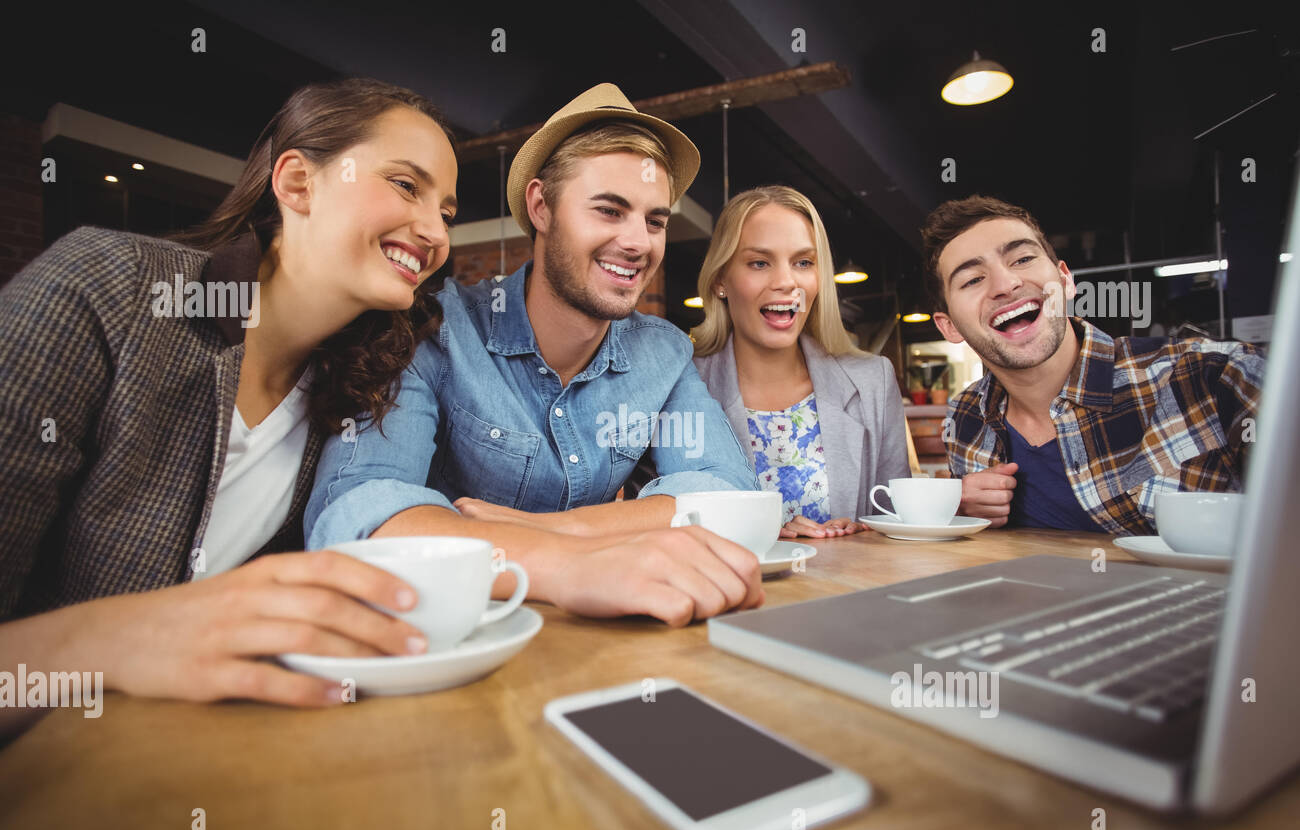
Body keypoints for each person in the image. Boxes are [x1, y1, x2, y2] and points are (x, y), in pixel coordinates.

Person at [0, 78, 465, 725]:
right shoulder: (108, 289)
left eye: (446, 211)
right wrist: (113, 641)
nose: (433, 231)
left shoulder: (360, 383)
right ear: (298, 183)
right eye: (407, 186)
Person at [306, 83, 765, 615]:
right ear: (541, 207)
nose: (640, 242)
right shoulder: (434, 326)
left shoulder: (662, 353)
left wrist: (558, 529)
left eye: (654, 220)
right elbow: (359, 511)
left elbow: (726, 492)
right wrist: (567, 559)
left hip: (592, 646)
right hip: (446, 645)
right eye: (610, 211)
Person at [923, 194, 1265, 532]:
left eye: (1023, 259)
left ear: (1066, 281)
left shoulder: (1216, 375)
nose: (1006, 284)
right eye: (972, 280)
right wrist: (957, 507)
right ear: (950, 326)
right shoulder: (966, 417)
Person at [692, 186, 910, 538]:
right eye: (759, 263)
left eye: (803, 263)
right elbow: (661, 521)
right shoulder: (682, 386)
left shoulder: (873, 380)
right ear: (720, 280)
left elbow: (900, 521)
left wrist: (861, 532)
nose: (786, 282)